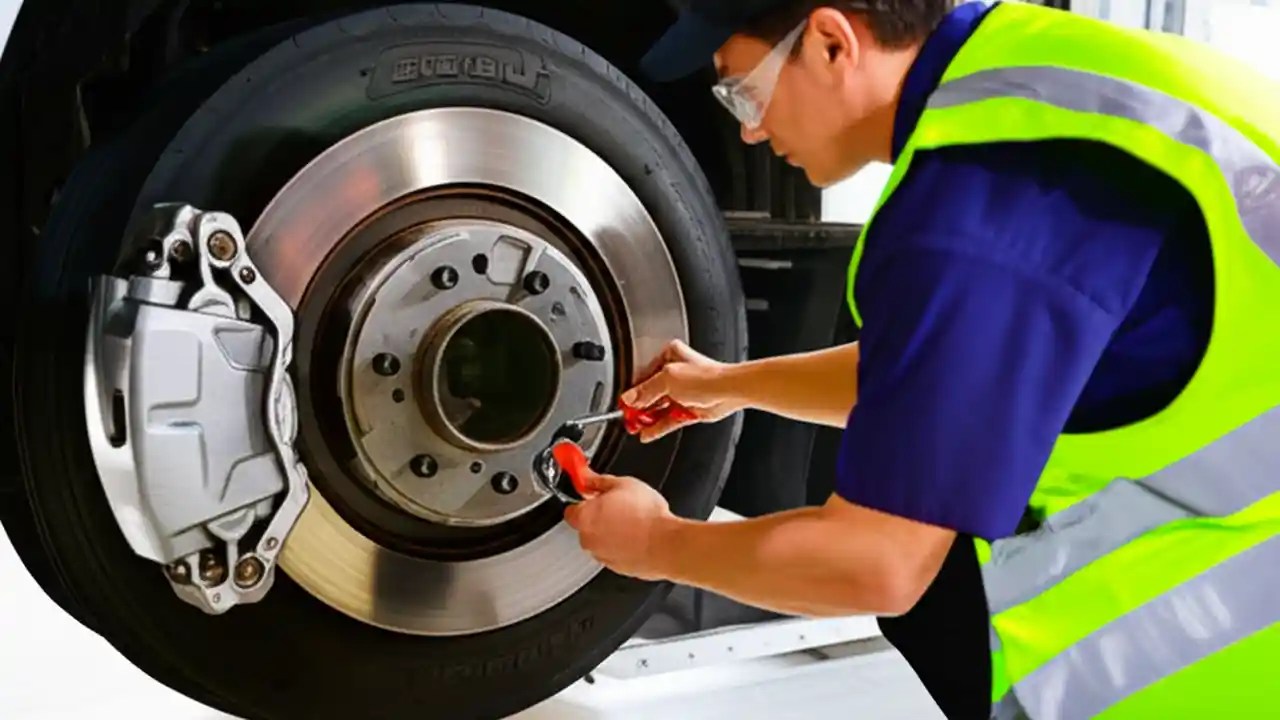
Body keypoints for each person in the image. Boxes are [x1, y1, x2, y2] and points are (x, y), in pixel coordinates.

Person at [563, 1, 1280, 718]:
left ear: (832, 43)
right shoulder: (1040, 82)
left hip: (1227, 641)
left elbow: (878, 565)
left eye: (744, 93)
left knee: (940, 597)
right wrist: (730, 385)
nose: (748, 130)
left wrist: (657, 543)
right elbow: (946, 379)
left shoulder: (984, 199)